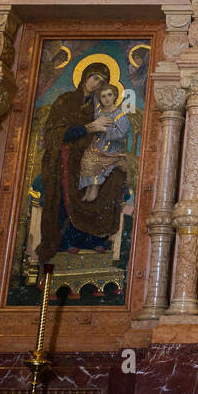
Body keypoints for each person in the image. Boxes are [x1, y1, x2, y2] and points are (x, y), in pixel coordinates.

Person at [37, 61, 129, 262]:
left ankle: (93, 238)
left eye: (102, 82)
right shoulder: (65, 101)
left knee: (116, 177)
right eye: (95, 78)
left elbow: (114, 136)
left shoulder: (101, 108)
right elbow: (53, 135)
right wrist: (89, 128)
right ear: (85, 77)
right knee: (69, 177)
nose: (97, 84)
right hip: (65, 156)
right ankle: (66, 240)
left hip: (93, 155)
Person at [78, 84, 132, 203]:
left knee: (95, 160)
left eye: (109, 95)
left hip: (112, 149)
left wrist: (103, 129)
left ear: (115, 96)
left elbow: (121, 134)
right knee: (87, 158)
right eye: (103, 96)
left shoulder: (120, 115)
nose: (106, 99)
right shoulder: (99, 111)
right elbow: (94, 97)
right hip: (97, 145)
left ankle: (94, 189)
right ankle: (88, 190)